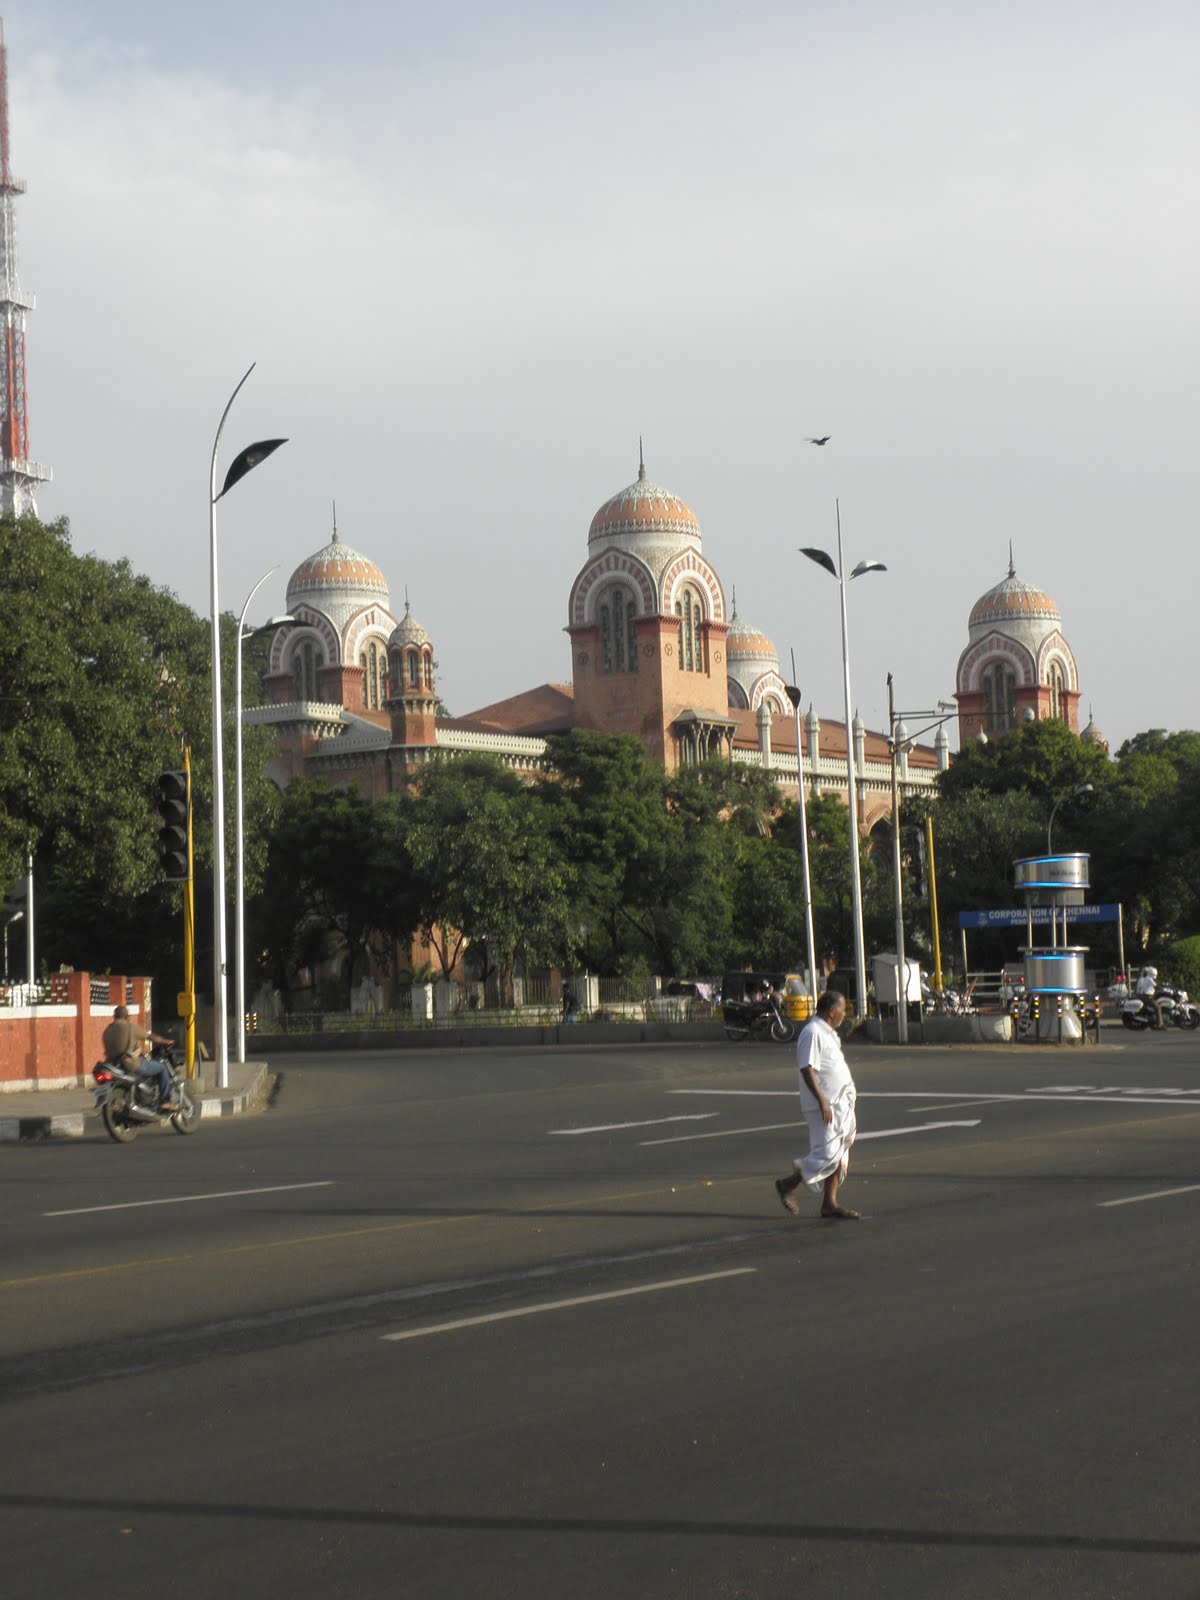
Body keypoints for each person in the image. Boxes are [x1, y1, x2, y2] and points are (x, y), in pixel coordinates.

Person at [774, 989, 859, 1220]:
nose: (844, 1015)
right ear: (832, 1011)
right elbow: (807, 1067)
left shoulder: (827, 1032)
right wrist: (822, 1101)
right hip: (824, 1105)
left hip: (839, 1104)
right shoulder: (812, 1032)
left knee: (839, 1152)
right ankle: (787, 1184)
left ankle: (829, 1204)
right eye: (842, 1010)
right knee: (827, 1153)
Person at [101, 1004, 178, 1111]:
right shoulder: (130, 1027)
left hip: (113, 1064)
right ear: (127, 1017)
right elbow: (150, 1037)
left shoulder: (107, 1030)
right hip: (131, 1064)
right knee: (162, 1069)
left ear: (114, 1016)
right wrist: (167, 1041)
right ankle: (165, 1101)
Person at [1136, 965, 1166, 1030]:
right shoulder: (1149, 979)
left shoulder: (1145, 978)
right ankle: (1160, 1024)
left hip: (1144, 996)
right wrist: (1163, 989)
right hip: (1147, 997)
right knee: (1158, 1008)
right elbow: (1155, 986)